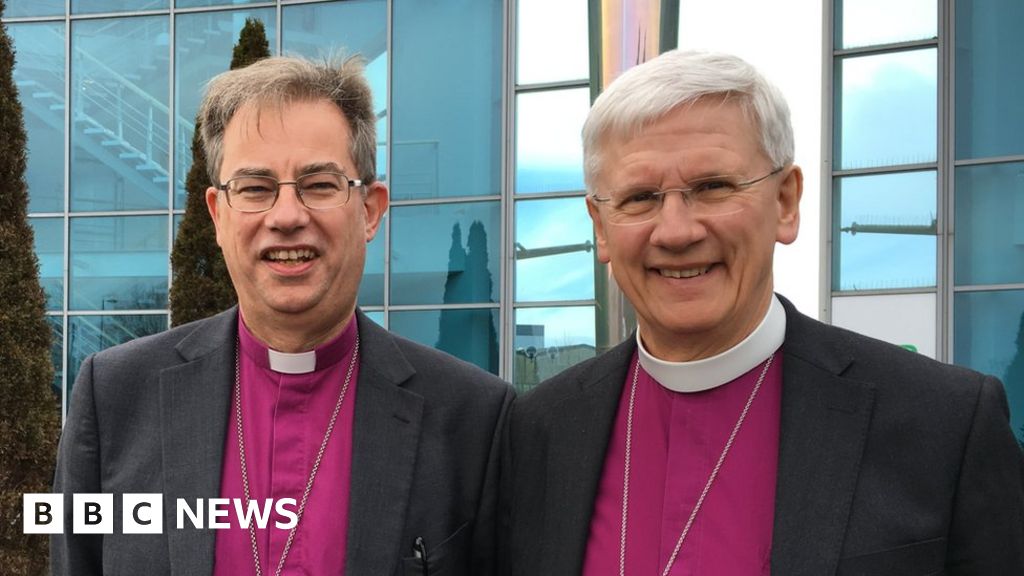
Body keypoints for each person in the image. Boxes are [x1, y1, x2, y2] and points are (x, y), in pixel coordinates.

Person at [501, 50, 1024, 575]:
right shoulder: (539, 431)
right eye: (640, 197)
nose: (677, 231)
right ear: (600, 225)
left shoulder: (944, 422)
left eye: (713, 187)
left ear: (786, 202)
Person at [52, 55, 512, 576]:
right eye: (254, 188)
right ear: (218, 216)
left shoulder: (474, 419)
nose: (287, 216)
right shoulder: (113, 397)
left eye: (319, 184)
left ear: (369, 211)